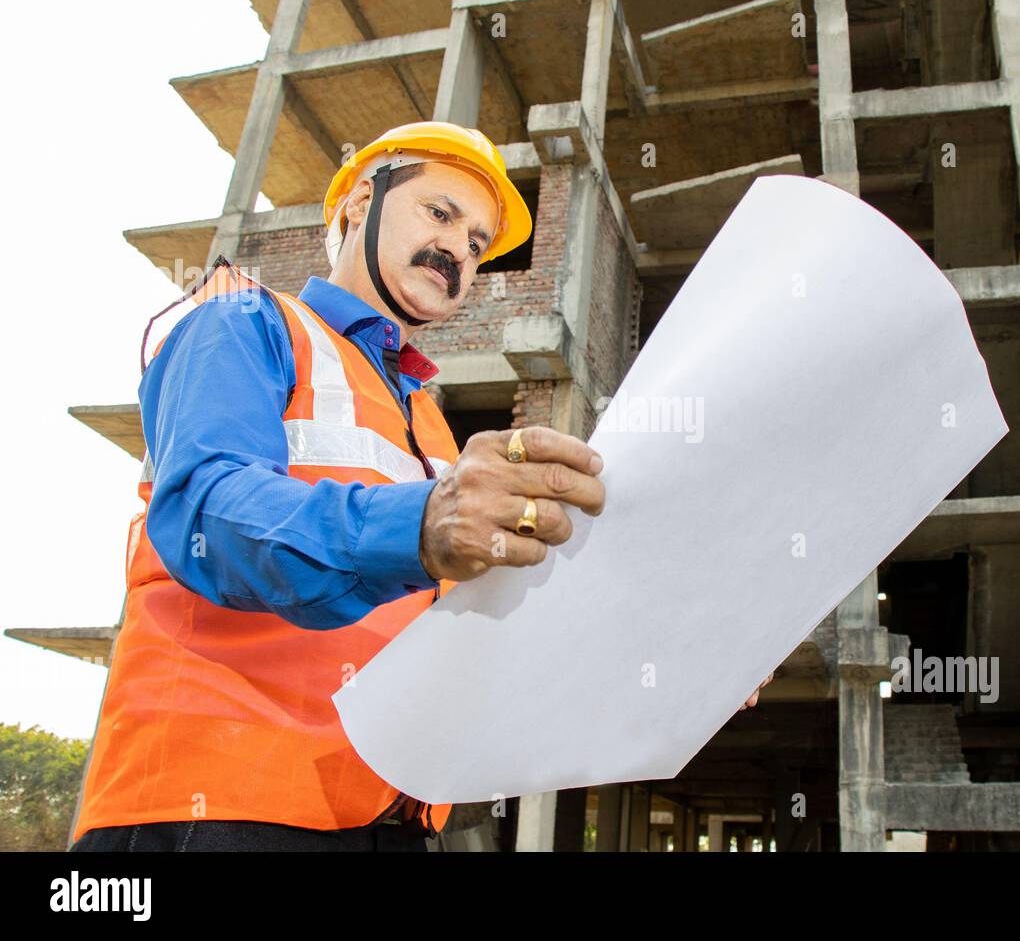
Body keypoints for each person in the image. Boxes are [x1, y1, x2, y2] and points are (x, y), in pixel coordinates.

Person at [68, 121, 766, 853]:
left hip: (388, 816)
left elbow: (472, 633)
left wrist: (673, 664)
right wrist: (420, 525)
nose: (458, 252)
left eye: (476, 244)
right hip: (216, 804)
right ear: (358, 202)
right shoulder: (245, 321)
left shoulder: (431, 429)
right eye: (441, 214)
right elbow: (208, 516)